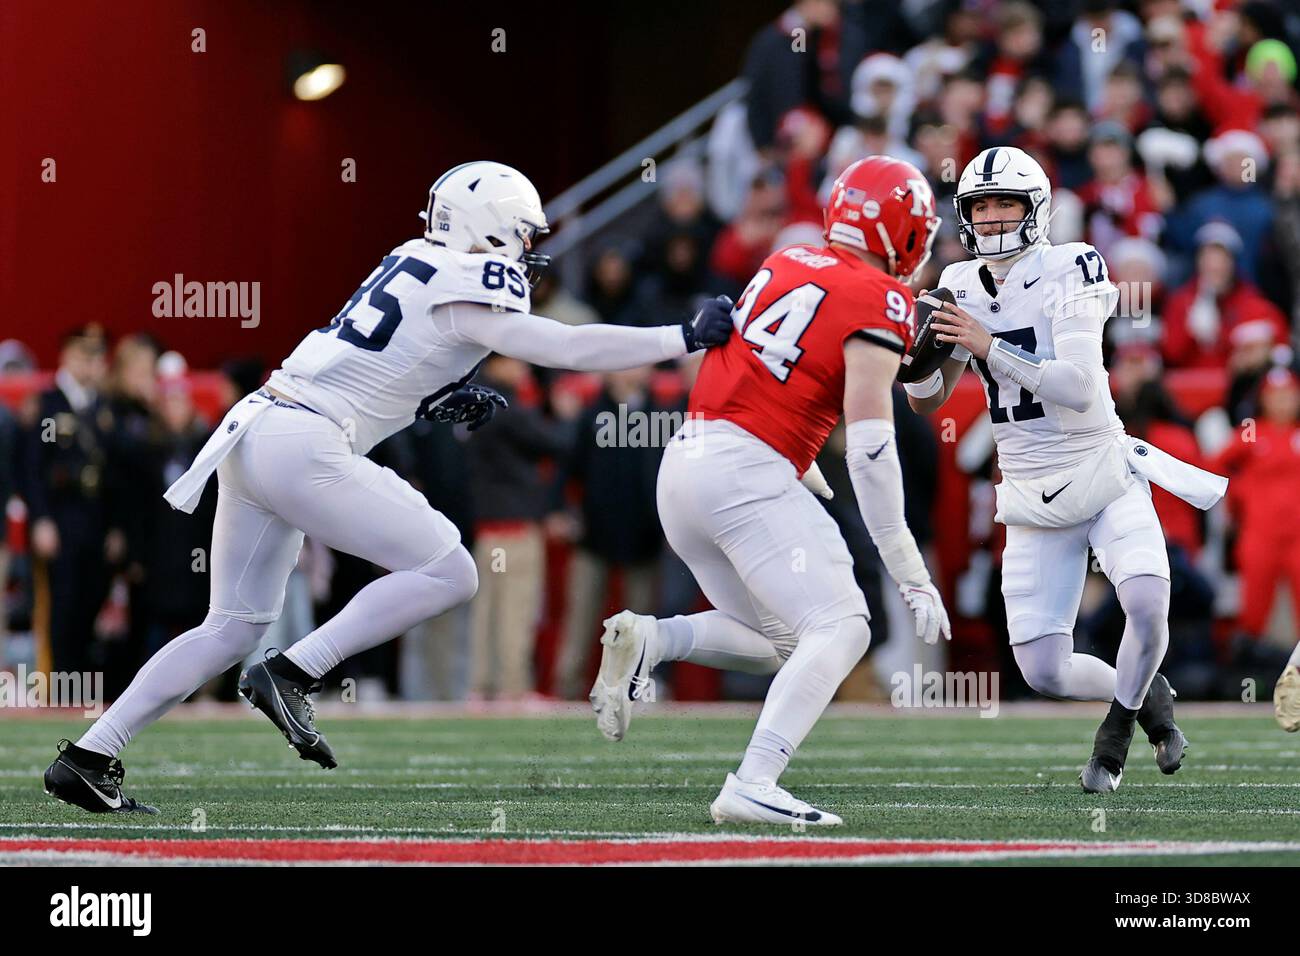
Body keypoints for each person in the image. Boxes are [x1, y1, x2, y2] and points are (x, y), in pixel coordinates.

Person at [43, 161, 737, 814]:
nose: (527, 247)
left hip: (257, 429)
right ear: (486, 225)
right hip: (306, 441)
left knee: (231, 625)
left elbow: (391, 355)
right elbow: (567, 348)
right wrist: (682, 335)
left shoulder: (418, 260)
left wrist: (430, 394)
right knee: (451, 568)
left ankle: (89, 753)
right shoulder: (472, 281)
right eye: (521, 231)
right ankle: (292, 671)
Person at [589, 157, 952, 826]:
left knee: (784, 639)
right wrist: (911, 571)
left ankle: (654, 642)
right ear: (902, 230)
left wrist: (796, 472)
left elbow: (770, 393)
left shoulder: (785, 261)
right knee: (843, 624)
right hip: (743, 471)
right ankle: (754, 779)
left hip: (690, 462)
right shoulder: (881, 298)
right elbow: (872, 451)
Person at [909, 146, 1222, 793]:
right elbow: (929, 399)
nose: (993, 218)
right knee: (1044, 670)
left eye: (1006, 204)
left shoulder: (1073, 264)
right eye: (981, 206)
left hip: (1097, 463)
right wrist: (914, 354)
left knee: (1146, 601)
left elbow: (1079, 386)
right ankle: (1149, 695)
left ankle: (1112, 739)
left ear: (1036, 209)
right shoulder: (960, 284)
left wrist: (986, 345)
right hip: (1028, 489)